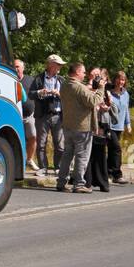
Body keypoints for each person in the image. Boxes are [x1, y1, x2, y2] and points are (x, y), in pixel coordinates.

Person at [57, 61, 102, 193]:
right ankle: (78, 184)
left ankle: (61, 182)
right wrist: (100, 88)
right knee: (82, 156)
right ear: (77, 72)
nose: (84, 75)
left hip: (68, 125)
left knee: (67, 155)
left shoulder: (65, 85)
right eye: (83, 72)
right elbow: (93, 101)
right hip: (82, 127)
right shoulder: (79, 87)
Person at [27, 54, 66, 172]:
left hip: (57, 115)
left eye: (60, 65)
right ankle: (43, 168)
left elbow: (67, 97)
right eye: (58, 64)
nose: (60, 67)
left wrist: (59, 94)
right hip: (42, 116)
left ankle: (58, 167)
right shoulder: (39, 78)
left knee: (60, 145)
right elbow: (30, 94)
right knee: (41, 144)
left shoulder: (61, 80)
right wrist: (40, 92)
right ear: (50, 64)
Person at [85, 67, 111, 192]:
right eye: (95, 73)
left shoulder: (103, 89)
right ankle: (87, 180)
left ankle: (102, 181)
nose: (97, 75)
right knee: (88, 154)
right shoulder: (86, 87)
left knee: (100, 154)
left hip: (101, 125)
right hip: (89, 123)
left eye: (99, 73)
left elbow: (108, 103)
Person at [13, 58, 38, 170]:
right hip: (15, 116)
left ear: (23, 68)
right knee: (18, 139)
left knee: (33, 137)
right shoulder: (9, 79)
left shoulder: (30, 80)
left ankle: (29, 160)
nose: (16, 68)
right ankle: (18, 163)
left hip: (29, 115)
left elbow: (36, 95)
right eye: (14, 66)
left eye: (18, 66)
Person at [107, 70, 132, 183]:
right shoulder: (109, 93)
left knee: (112, 150)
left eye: (122, 80)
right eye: (119, 79)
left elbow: (126, 110)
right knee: (117, 149)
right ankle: (117, 174)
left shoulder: (125, 94)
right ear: (115, 79)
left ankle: (108, 172)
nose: (120, 82)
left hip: (119, 126)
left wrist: (128, 124)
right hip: (110, 125)